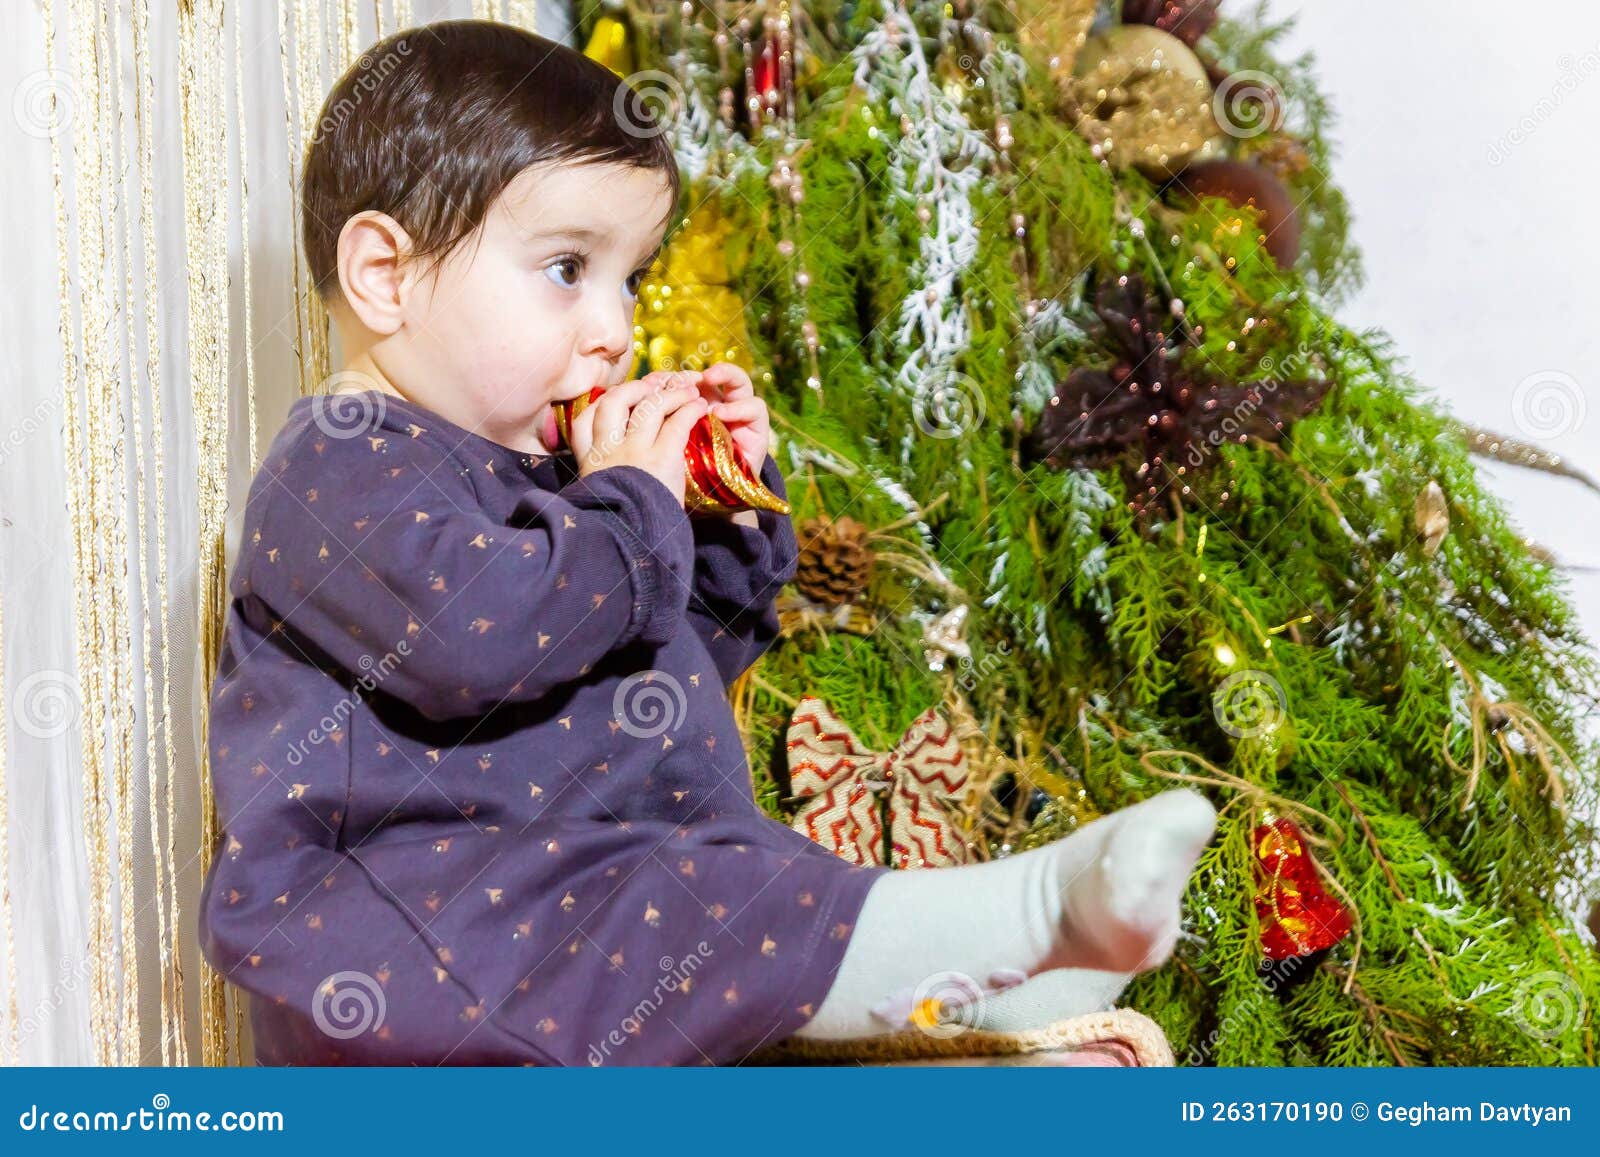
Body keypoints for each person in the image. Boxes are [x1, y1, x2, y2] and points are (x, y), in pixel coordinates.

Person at [198, 19, 1215, 1067]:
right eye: (567, 268)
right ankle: (1030, 920)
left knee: (746, 892)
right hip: (429, 941)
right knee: (721, 905)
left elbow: (667, 658)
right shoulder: (342, 465)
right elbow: (478, 636)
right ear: (385, 274)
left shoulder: (547, 473)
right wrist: (632, 500)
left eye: (630, 278)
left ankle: (1008, 1021)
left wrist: (722, 511)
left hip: (578, 916)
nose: (615, 329)